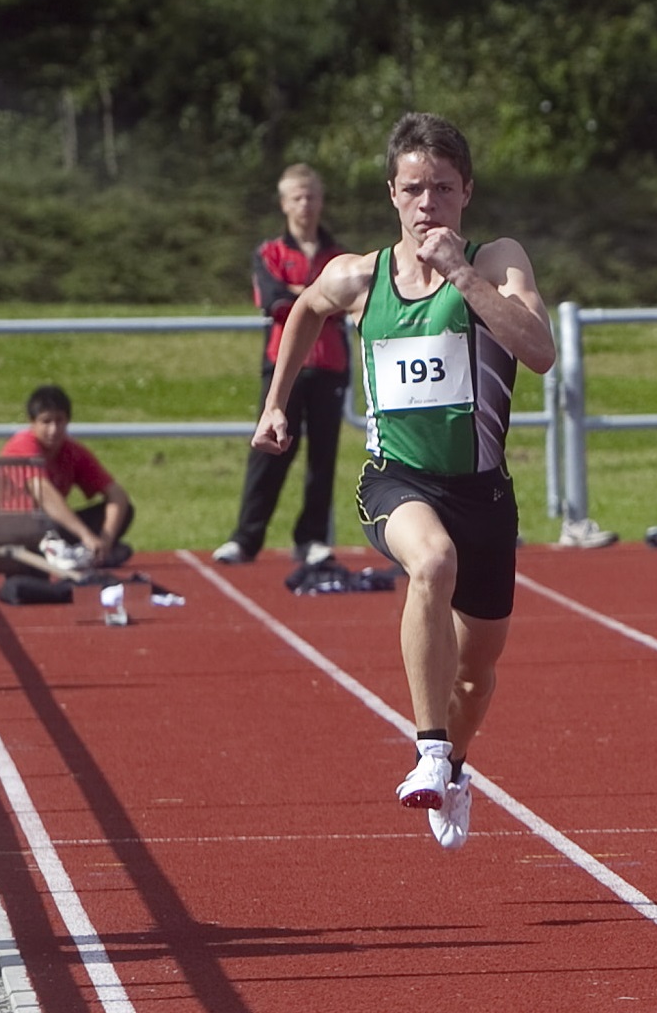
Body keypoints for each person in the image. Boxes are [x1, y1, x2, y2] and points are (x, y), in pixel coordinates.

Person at [253, 114, 556, 849]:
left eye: (443, 189)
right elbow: (302, 311)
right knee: (433, 562)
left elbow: (539, 351)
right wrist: (276, 402)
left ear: (466, 193)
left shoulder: (498, 259)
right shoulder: (360, 275)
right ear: (392, 193)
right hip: (397, 479)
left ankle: (453, 763)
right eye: (414, 188)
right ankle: (426, 749)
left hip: (483, 493)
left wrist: (461, 274)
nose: (428, 204)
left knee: (477, 676)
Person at [218, 163, 348, 565]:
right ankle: (246, 537)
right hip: (283, 365)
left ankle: (310, 538)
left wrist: (306, 297)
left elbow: (346, 302)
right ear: (283, 203)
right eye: (297, 197)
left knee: (322, 457)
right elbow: (274, 300)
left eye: (311, 196)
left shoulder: (339, 256)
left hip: (331, 364)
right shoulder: (268, 252)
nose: (305, 205)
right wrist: (316, 297)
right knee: (268, 451)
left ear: (322, 201)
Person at [0, 386, 135, 577]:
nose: (53, 430)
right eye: (46, 422)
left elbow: (117, 495)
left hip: (45, 525)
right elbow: (44, 494)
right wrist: (86, 535)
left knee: (126, 511)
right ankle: (75, 551)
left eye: (59, 421)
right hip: (5, 527)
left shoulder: (72, 451)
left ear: (67, 421)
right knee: (46, 524)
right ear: (32, 423)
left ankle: (90, 553)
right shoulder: (22, 446)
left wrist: (106, 539)